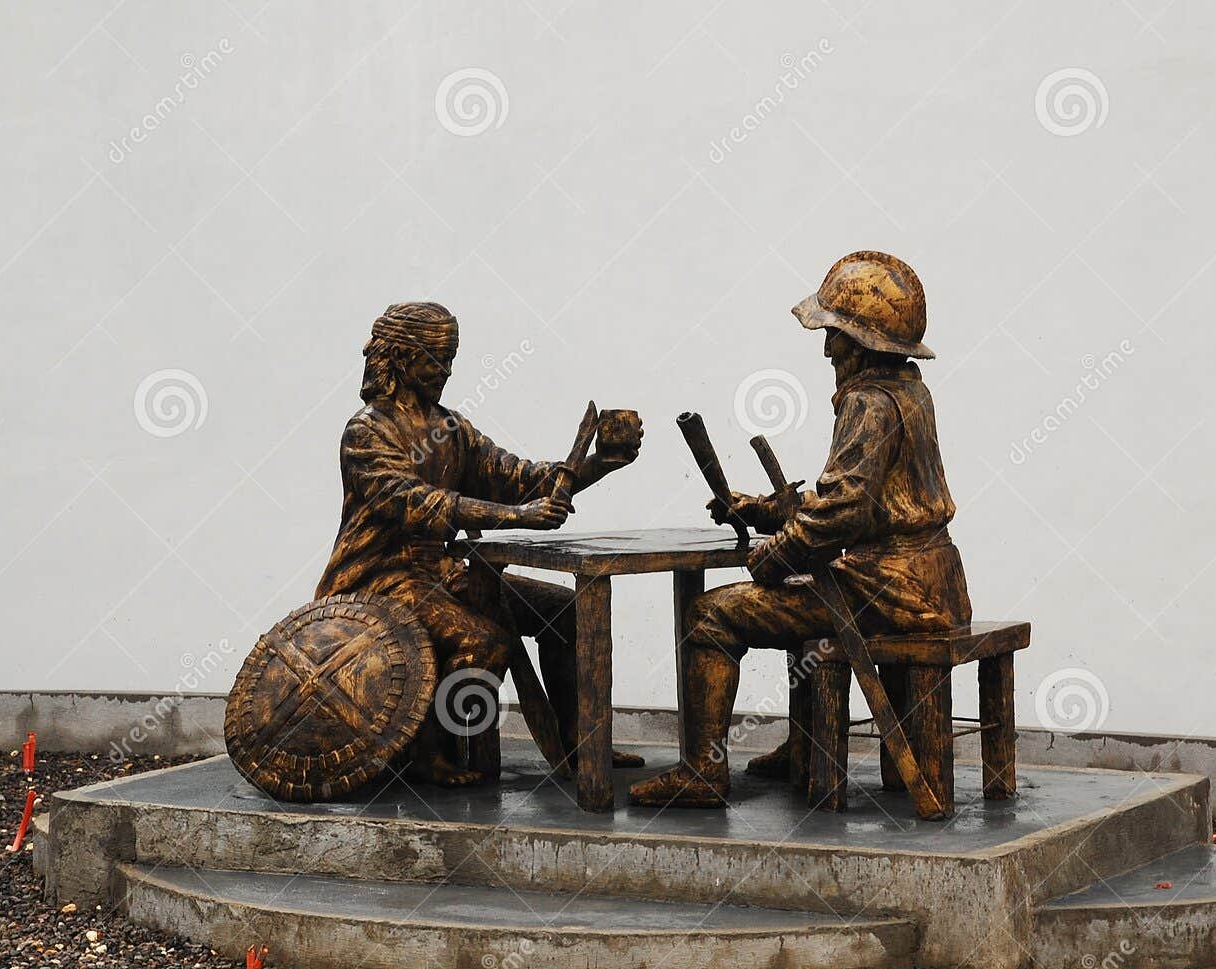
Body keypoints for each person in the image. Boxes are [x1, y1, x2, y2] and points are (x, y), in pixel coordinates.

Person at [629, 252, 971, 808]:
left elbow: (843, 514)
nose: (827, 349)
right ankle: (806, 749)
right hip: (934, 582)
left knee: (709, 615)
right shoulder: (911, 391)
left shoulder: (868, 402)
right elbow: (867, 504)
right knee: (802, 598)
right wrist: (765, 510)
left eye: (834, 335)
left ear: (861, 343)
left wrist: (771, 557)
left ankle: (702, 772)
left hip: (888, 592)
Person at [317, 302, 644, 785]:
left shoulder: (451, 429)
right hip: (379, 578)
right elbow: (415, 501)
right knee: (481, 641)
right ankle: (430, 753)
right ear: (402, 358)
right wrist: (518, 518)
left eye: (451, 358)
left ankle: (580, 742)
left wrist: (599, 464)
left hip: (442, 573)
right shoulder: (367, 431)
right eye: (436, 359)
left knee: (567, 611)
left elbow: (519, 479)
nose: (446, 371)